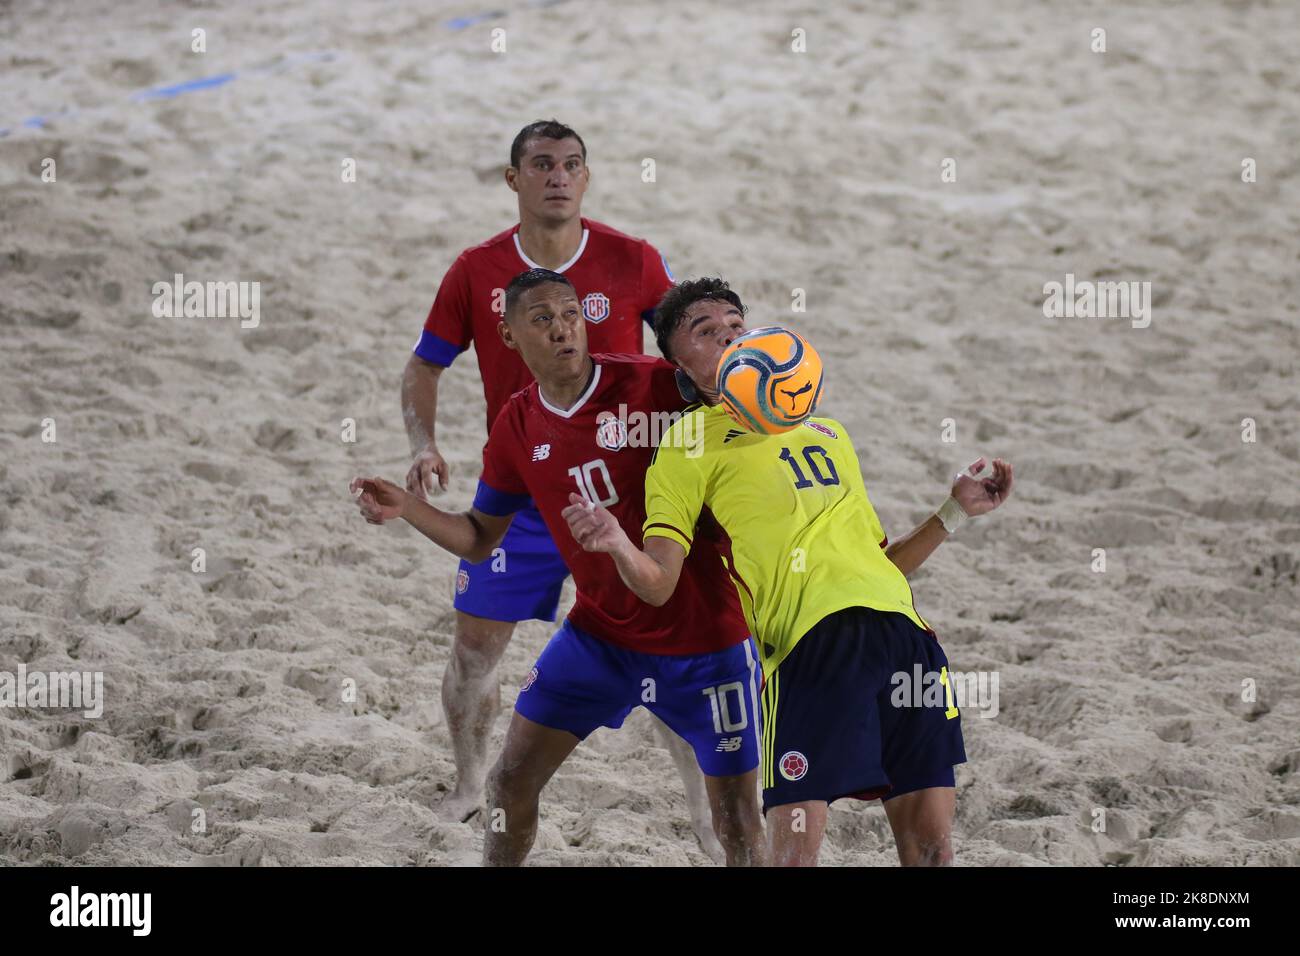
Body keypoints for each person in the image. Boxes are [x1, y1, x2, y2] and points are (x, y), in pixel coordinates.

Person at [562, 277, 1015, 866]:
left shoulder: (828, 431)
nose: (728, 334)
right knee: (793, 857)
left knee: (931, 849)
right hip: (809, 651)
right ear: (679, 364)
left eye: (735, 322)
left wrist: (953, 511)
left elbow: (882, 565)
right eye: (706, 331)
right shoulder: (688, 444)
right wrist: (618, 544)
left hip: (905, 637)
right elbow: (660, 583)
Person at [360, 270, 765, 865]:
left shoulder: (656, 385)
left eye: (571, 314)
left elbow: (733, 396)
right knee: (508, 784)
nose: (562, 330)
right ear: (509, 335)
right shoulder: (518, 424)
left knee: (737, 821)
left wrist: (731, 347)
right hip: (600, 636)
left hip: (707, 642)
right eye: (542, 319)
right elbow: (477, 539)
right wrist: (408, 507)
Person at [399, 120, 719, 851]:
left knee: (668, 662)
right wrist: (424, 445)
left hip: (633, 497)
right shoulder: (476, 270)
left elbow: (689, 348)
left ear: (587, 176)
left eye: (572, 165)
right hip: (527, 493)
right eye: (541, 165)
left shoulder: (633, 259)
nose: (558, 177)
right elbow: (424, 364)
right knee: (474, 652)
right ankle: (468, 783)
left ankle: (704, 818)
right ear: (513, 179)